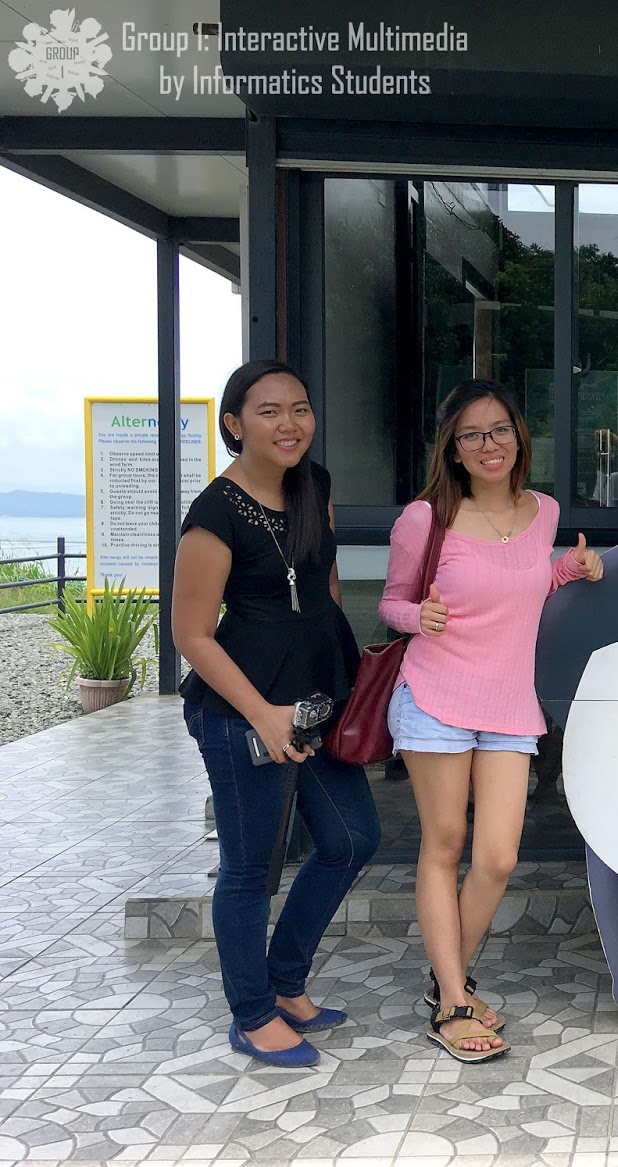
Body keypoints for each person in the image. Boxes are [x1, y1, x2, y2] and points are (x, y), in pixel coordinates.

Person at [380, 380, 603, 1063]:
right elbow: (392, 602)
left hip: (508, 704)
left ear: (518, 435)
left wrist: (570, 568)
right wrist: (417, 615)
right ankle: (453, 998)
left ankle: (446, 979)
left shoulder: (544, 512)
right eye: (471, 434)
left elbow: (526, 584)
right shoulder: (425, 518)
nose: (488, 444)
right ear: (453, 448)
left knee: (499, 856)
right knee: (445, 842)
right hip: (436, 696)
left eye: (499, 429)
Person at [173, 359, 380, 1069]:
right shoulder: (214, 513)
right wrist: (262, 712)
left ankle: (285, 981)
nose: (289, 424)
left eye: (300, 408)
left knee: (351, 838)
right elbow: (191, 634)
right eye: (269, 411)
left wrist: (339, 673)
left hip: (313, 703)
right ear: (234, 424)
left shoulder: (312, 484)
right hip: (241, 713)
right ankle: (253, 1012)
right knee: (249, 868)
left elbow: (323, 580)